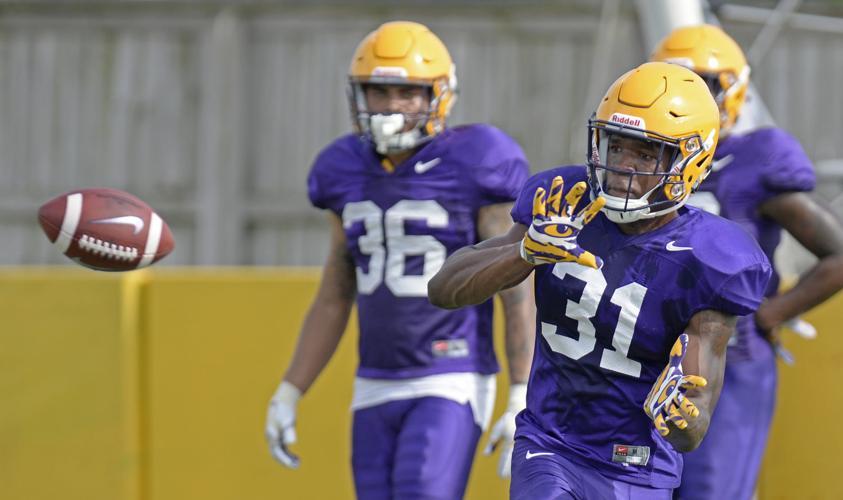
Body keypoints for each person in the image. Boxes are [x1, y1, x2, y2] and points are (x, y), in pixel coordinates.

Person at [428, 61, 773, 499]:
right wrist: (522, 253)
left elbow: (694, 426)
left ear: (691, 161)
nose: (623, 167)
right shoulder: (562, 201)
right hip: (551, 442)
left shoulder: (714, 257)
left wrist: (679, 415)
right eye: (616, 146)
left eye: (646, 154)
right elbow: (443, 289)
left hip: (637, 468)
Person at [264, 21, 536, 499]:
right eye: (378, 91)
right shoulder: (341, 167)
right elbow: (335, 292)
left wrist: (520, 394)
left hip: (451, 372)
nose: (390, 106)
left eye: (405, 93)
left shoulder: (477, 160)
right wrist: (290, 389)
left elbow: (515, 287)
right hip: (375, 377)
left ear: (439, 95)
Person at [651, 24, 843, 500]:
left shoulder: (756, 158)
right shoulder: (643, 157)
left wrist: (770, 314)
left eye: (705, 83)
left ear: (734, 89)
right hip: (646, 355)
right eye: (678, 81)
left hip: (728, 360)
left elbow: (839, 254)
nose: (691, 96)